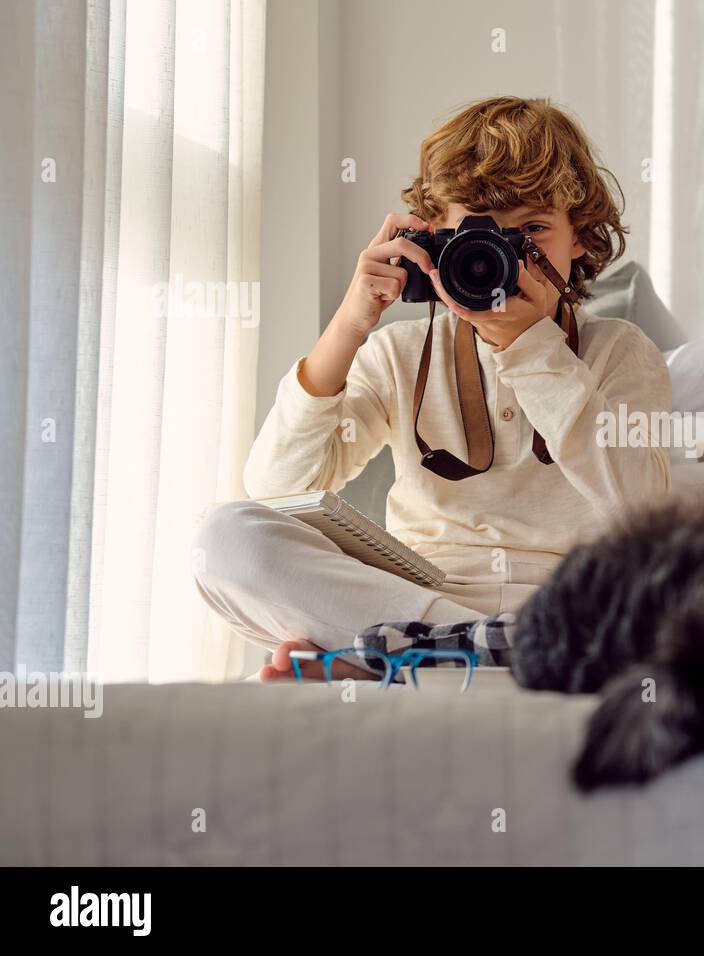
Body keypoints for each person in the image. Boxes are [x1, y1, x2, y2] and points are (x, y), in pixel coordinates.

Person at [191, 96, 671, 681]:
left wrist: (530, 346)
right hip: (414, 596)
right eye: (481, 239)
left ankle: (399, 661)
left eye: (534, 230)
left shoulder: (620, 351)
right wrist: (349, 325)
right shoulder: (401, 352)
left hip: (567, 605)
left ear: (580, 238)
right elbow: (277, 489)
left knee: (681, 603)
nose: (509, 259)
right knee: (224, 538)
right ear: (433, 243)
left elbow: (649, 517)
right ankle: (462, 658)